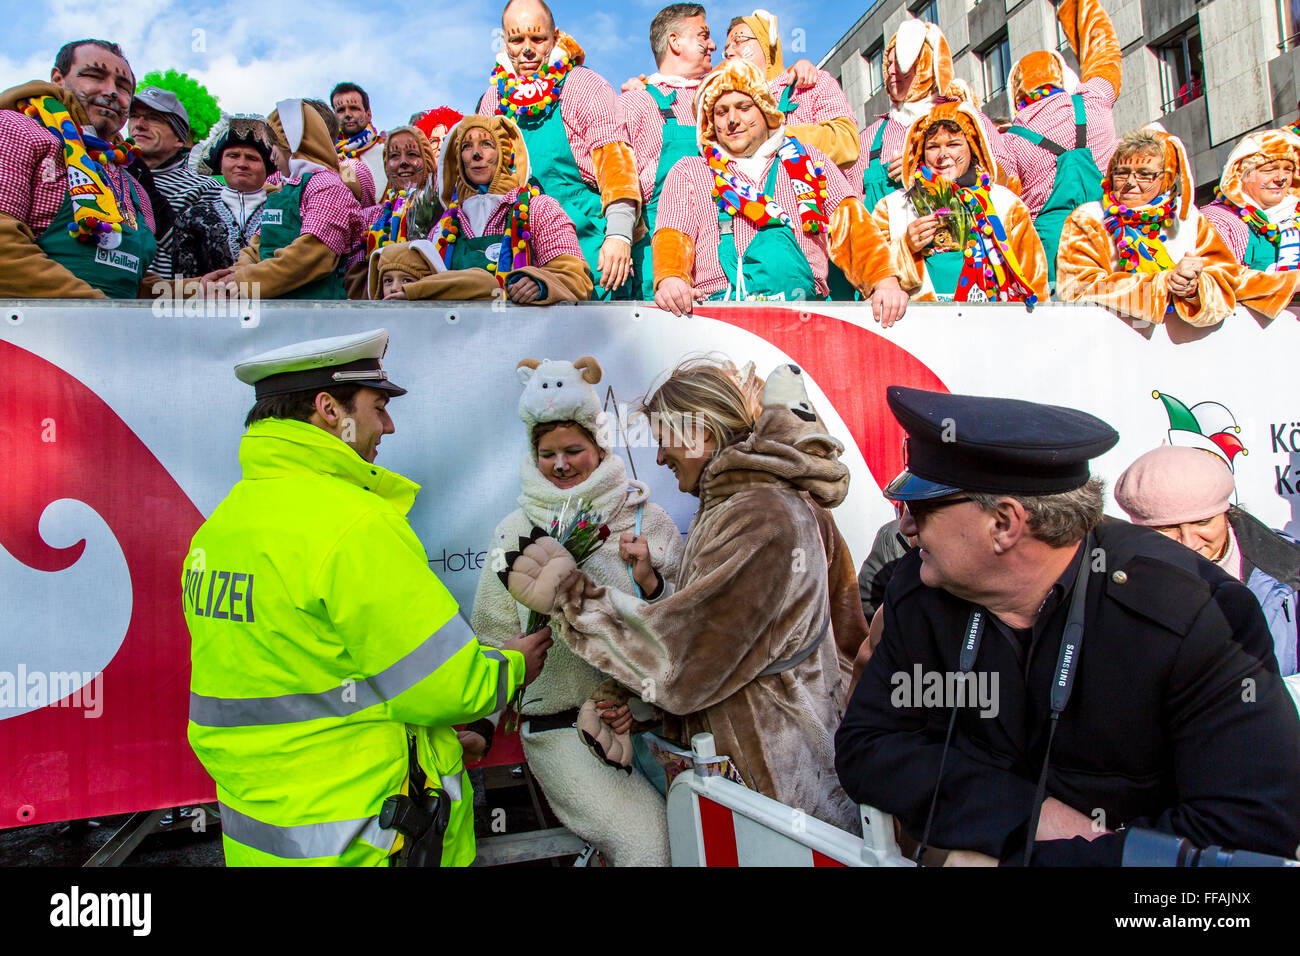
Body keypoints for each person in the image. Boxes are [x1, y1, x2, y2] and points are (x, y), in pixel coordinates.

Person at [835, 386, 1300, 866]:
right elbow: (867, 747)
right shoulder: (921, 591)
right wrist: (1027, 816)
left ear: (1004, 523)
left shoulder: (1194, 614)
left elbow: (1249, 831)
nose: (906, 528)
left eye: (921, 509)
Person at [183, 328, 552, 866]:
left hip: (262, 842)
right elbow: (450, 687)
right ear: (329, 409)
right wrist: (513, 665)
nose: (388, 425)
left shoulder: (221, 526)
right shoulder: (354, 525)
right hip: (365, 838)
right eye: (378, 407)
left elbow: (305, 677)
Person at [501, 359, 865, 831]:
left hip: (779, 787)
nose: (657, 458)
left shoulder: (760, 513)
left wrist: (573, 598)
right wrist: (632, 699)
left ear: (700, 434)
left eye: (663, 439)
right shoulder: (743, 505)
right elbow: (731, 642)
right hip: (771, 779)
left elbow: (689, 658)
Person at [470, 356, 684, 865]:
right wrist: (505, 679)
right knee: (650, 845)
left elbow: (685, 624)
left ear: (600, 447)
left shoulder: (644, 519)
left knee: (701, 838)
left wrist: (652, 583)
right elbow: (490, 636)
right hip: (561, 731)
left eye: (573, 451)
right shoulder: (513, 533)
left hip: (652, 724)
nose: (561, 465)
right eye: (547, 454)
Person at [651, 59, 907, 321]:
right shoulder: (690, 172)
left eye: (744, 107)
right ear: (709, 121)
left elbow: (853, 227)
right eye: (721, 112)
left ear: (765, 110)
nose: (732, 120)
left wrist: (884, 281)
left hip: (806, 318)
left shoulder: (810, 160)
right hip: (723, 321)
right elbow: (673, 235)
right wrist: (671, 280)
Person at [476, 0, 641, 299]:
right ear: (503, 41)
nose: (527, 49)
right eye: (517, 39)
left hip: (587, 248)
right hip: (516, 250)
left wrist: (619, 234)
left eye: (538, 38)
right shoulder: (492, 100)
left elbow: (616, 165)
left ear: (554, 37)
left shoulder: (583, 85)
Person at [1114, 445, 1300, 696]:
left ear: (1225, 514)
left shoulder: (1290, 570)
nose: (1189, 542)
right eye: (1166, 528)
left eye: (1202, 522)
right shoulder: (1114, 584)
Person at [0, 38, 159, 298]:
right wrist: (98, 310)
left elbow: (129, 284)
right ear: (58, 79)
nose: (112, 92)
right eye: (95, 76)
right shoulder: (17, 130)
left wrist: (199, 291)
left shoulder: (135, 187)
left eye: (123, 87)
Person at [392, 115, 592, 303]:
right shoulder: (443, 227)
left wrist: (541, 283)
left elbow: (575, 279)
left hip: (524, 326)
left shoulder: (539, 209)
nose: (476, 154)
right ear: (459, 157)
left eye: (486, 144)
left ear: (503, 152)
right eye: (467, 146)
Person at [1057, 125, 1238, 327]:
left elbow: (1227, 279)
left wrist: (1193, 289)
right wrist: (1161, 285)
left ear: (1167, 178)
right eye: (1122, 173)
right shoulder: (1088, 218)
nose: (1130, 182)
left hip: (1183, 341)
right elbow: (1075, 288)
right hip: (1113, 339)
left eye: (1144, 174)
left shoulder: (1188, 218)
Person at [870, 101, 1047, 305]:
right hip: (919, 323)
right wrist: (906, 246)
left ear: (972, 147)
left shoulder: (1006, 205)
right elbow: (871, 276)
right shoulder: (892, 208)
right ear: (920, 152)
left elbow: (1035, 283)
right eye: (933, 147)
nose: (943, 155)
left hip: (990, 321)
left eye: (953, 144)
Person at [1001, 0, 1121, 283]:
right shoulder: (1094, 99)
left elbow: (1005, 198)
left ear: (1016, 94)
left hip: (1052, 251)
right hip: (1112, 232)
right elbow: (1104, 53)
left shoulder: (1012, 140)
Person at [202, 98, 362, 300]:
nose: (271, 157)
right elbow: (258, 248)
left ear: (291, 144)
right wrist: (231, 276)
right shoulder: (285, 190)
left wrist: (244, 282)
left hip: (313, 311)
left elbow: (313, 255)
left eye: (274, 147)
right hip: (274, 308)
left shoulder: (327, 186)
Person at [845, 18, 1012, 212]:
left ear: (924, 63)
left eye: (898, 63)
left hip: (959, 228)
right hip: (890, 232)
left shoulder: (964, 116)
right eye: (888, 64)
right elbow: (853, 208)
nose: (890, 71)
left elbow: (1004, 173)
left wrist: (924, 167)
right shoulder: (868, 139)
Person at [622, 3, 715, 300]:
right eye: (703, 36)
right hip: (657, 260)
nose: (713, 45)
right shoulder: (637, 103)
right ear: (674, 42)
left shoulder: (723, 102)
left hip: (719, 255)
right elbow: (618, 190)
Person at [723, 9, 859, 170]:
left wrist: (773, 136)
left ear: (766, 41)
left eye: (738, 40)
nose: (729, 52)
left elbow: (846, 142)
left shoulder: (811, 83)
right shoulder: (727, 107)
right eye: (726, 49)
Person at [1199, 129, 1300, 317]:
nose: (1281, 178)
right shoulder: (1216, 220)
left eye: (1288, 169)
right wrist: (1293, 282)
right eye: (1269, 169)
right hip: (1244, 330)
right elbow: (1221, 281)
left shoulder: (1294, 220)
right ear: (1243, 174)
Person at [129, 86, 219, 278]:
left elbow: (209, 259)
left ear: (180, 138)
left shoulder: (205, 188)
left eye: (154, 118)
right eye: (134, 116)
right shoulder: (109, 175)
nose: (139, 124)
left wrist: (148, 195)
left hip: (168, 294)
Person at [172, 114, 275, 279]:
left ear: (268, 168)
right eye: (233, 156)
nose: (241, 164)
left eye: (252, 158)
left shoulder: (284, 212)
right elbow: (182, 280)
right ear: (220, 165)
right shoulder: (192, 216)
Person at [331, 81, 386, 200]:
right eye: (340, 110)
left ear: (368, 114)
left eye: (354, 108)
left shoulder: (386, 152)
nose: (347, 114)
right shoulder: (328, 156)